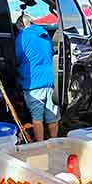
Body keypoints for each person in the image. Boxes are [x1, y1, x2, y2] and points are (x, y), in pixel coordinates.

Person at [14, 11, 59, 141]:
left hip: (33, 83)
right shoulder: (44, 34)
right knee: (52, 116)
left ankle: (40, 145)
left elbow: (17, 58)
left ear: (20, 26)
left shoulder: (21, 37)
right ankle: (55, 142)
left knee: (37, 118)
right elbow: (50, 53)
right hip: (50, 81)